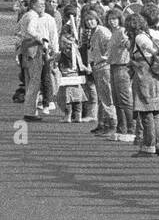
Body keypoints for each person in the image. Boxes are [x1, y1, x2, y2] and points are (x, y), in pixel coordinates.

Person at [129, 10, 159, 157]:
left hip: (144, 77)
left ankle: (148, 146)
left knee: (146, 112)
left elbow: (154, 51)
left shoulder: (140, 38)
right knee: (156, 112)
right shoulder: (151, 34)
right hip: (154, 76)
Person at [17, 0, 59, 122]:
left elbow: (19, 30)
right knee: (34, 82)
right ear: (33, 5)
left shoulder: (26, 15)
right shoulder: (33, 16)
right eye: (40, 4)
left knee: (30, 81)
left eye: (43, 4)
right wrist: (41, 39)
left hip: (26, 50)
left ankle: (30, 110)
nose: (43, 6)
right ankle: (30, 112)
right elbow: (30, 30)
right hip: (34, 50)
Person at [87, 11, 119, 140]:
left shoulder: (102, 31)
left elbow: (109, 45)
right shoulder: (94, 31)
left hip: (104, 66)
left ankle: (112, 124)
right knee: (102, 97)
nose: (90, 22)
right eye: (87, 20)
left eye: (92, 19)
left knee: (107, 96)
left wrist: (104, 57)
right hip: (98, 66)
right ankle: (102, 123)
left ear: (97, 19)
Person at [106, 8, 135, 142]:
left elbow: (128, 44)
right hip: (113, 65)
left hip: (122, 66)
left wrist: (126, 43)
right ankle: (121, 128)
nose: (112, 21)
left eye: (115, 19)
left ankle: (131, 128)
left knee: (124, 99)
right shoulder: (114, 32)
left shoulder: (122, 31)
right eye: (110, 19)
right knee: (117, 100)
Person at [57, 19, 88, 122]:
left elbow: (55, 61)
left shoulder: (67, 52)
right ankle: (77, 116)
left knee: (68, 98)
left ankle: (68, 116)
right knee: (77, 97)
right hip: (74, 76)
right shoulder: (73, 52)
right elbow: (80, 64)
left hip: (67, 76)